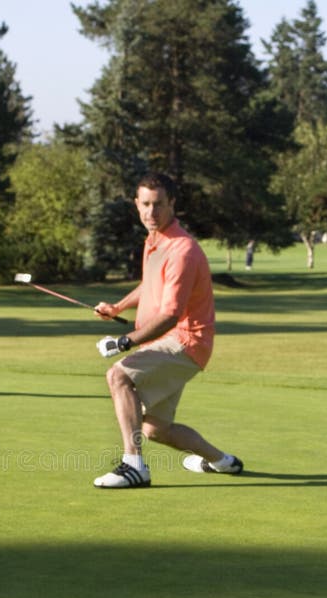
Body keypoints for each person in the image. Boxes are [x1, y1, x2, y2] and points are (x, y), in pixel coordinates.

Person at [92, 172, 243, 489]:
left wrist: (123, 342)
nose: (151, 211)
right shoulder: (155, 241)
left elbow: (172, 314)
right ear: (136, 204)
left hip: (186, 341)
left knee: (118, 376)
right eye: (145, 204)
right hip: (173, 342)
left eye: (158, 204)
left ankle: (134, 466)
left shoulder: (181, 249)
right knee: (156, 429)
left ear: (172, 203)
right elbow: (151, 285)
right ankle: (221, 461)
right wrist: (118, 307)